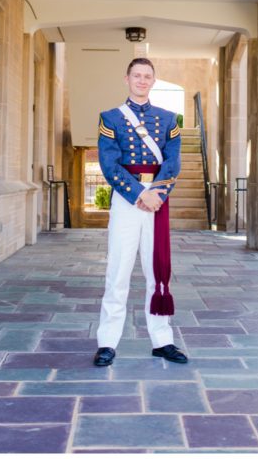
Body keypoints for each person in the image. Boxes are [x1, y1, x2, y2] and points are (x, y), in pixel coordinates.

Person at [93, 57, 188, 367]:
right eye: (137, 75)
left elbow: (172, 163)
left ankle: (162, 341)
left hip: (157, 200)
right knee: (118, 271)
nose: (142, 80)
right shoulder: (111, 118)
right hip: (128, 198)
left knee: (157, 271)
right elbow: (109, 164)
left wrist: (157, 193)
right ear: (127, 79)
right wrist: (140, 193)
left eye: (148, 76)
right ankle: (107, 342)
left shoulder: (170, 119)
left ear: (153, 81)